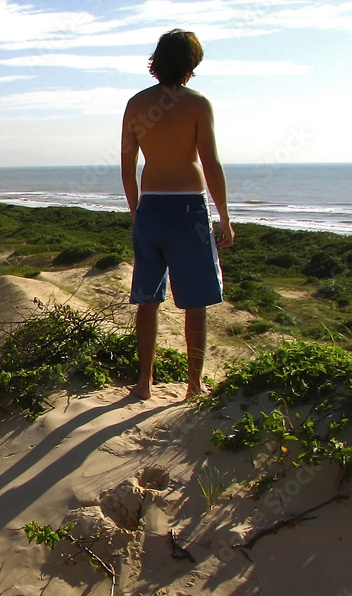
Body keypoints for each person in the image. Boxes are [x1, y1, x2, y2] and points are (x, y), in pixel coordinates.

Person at [120, 28, 234, 401]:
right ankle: (194, 385)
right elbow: (211, 163)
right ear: (191, 63)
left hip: (151, 205)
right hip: (188, 208)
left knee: (147, 299)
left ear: (158, 61)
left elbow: (126, 164)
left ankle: (144, 382)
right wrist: (225, 216)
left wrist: (137, 210)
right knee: (195, 300)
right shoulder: (198, 104)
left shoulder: (136, 104)